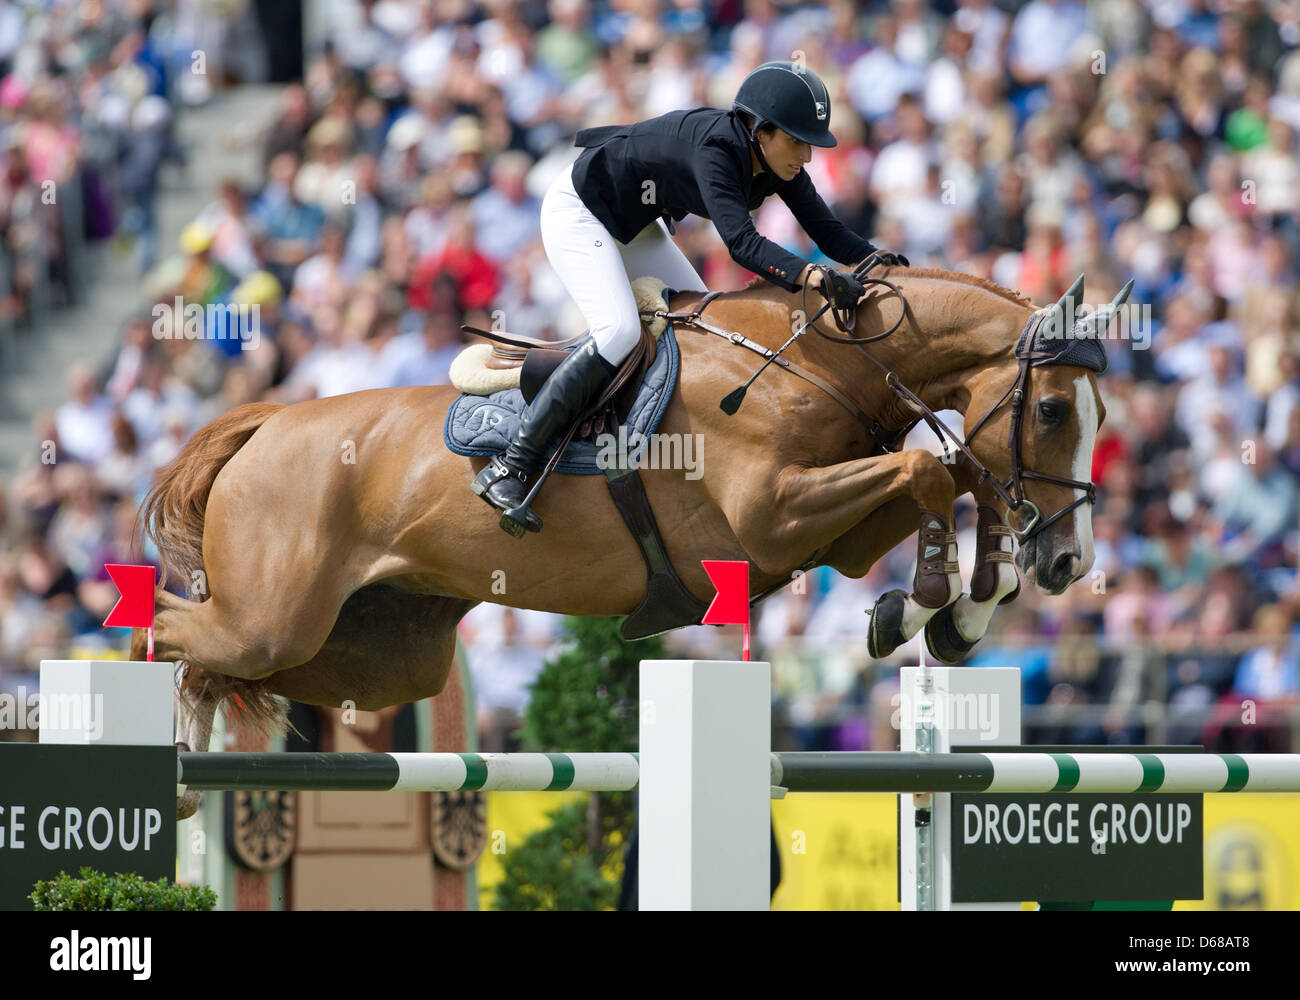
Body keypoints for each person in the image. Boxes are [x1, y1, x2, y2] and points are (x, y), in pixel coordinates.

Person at [472, 61, 908, 535]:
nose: (806, 155)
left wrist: (882, 264)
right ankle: (512, 465)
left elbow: (826, 229)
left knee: (713, 330)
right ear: (760, 130)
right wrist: (816, 276)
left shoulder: (776, 158)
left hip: (635, 224)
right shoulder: (717, 149)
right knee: (619, 332)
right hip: (580, 212)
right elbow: (742, 245)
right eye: (798, 140)